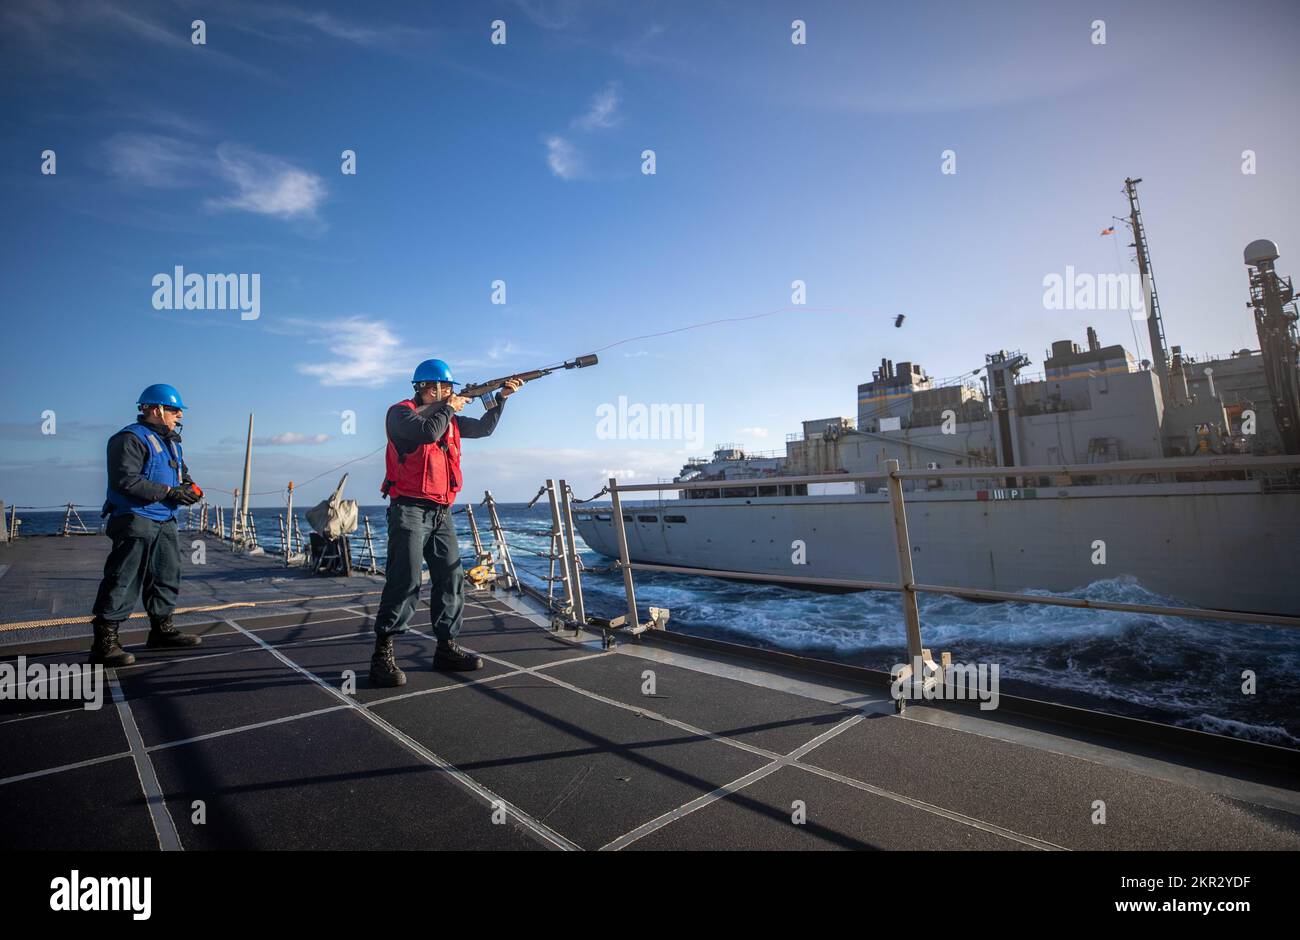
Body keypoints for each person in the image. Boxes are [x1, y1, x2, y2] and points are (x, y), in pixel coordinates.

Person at [369, 359, 524, 686]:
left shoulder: (447, 416)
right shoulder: (401, 414)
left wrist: (503, 397)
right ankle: (383, 653)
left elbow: (483, 428)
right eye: (440, 388)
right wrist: (449, 408)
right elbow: (427, 433)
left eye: (449, 389)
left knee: (451, 578)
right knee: (406, 580)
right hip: (408, 509)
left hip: (440, 512)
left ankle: (446, 646)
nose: (446, 393)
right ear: (424, 388)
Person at [88, 385, 204, 667]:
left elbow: (182, 473)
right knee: (124, 577)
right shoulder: (129, 439)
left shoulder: (172, 441)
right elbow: (126, 480)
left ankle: (162, 630)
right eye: (175, 410)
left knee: (166, 574)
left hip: (165, 518)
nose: (179, 416)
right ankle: (105, 643)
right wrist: (169, 492)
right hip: (135, 518)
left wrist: (187, 489)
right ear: (155, 410)